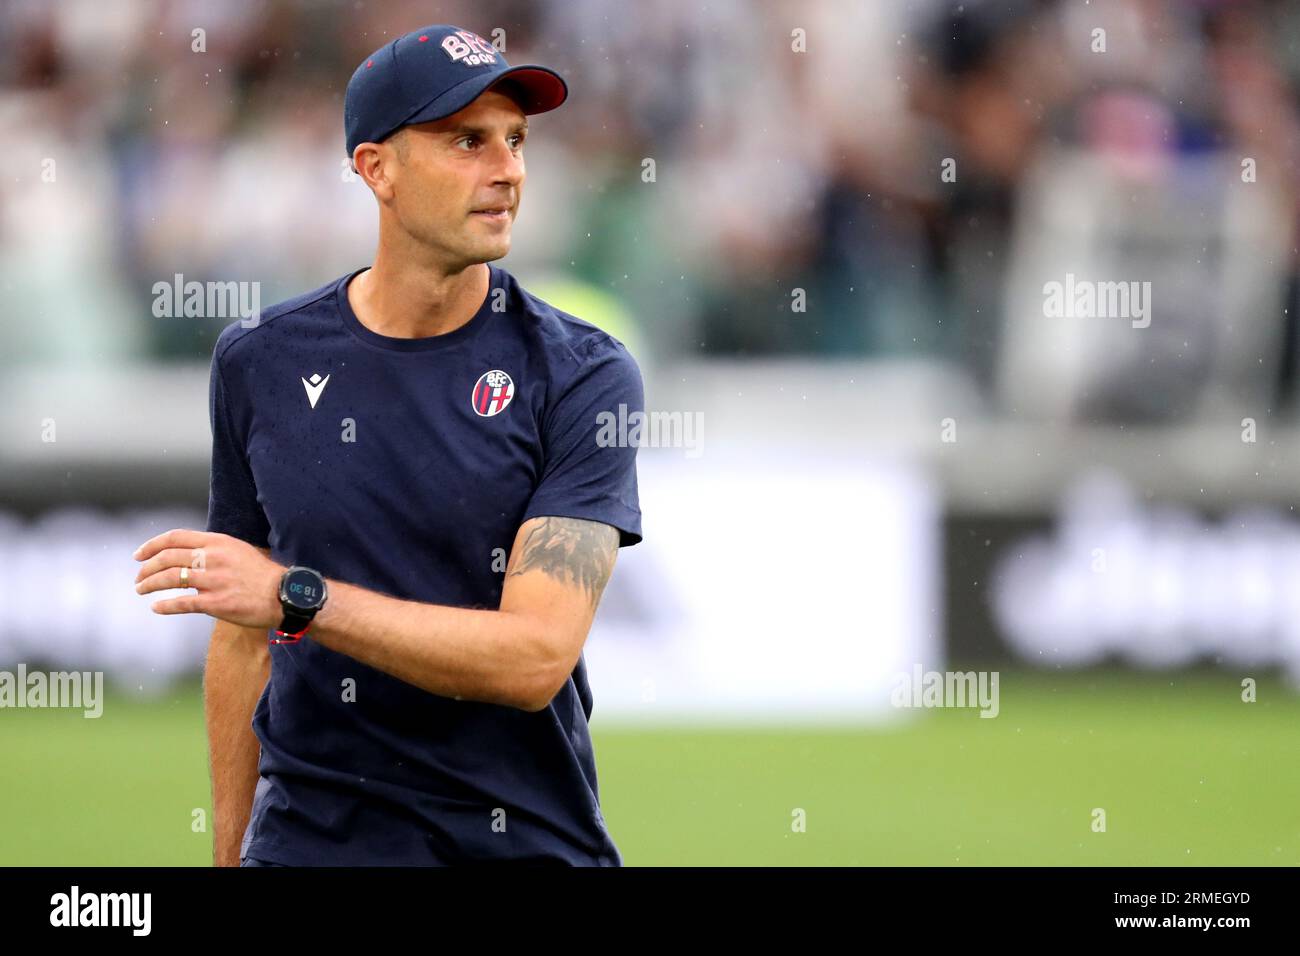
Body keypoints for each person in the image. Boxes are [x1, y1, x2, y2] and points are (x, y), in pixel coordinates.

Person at [131, 24, 644, 866]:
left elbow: (535, 658)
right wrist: (226, 858)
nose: (508, 169)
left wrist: (300, 598)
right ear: (377, 169)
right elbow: (241, 635)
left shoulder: (582, 373)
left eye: (515, 140)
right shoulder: (258, 360)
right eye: (466, 141)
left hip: (522, 844)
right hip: (312, 847)